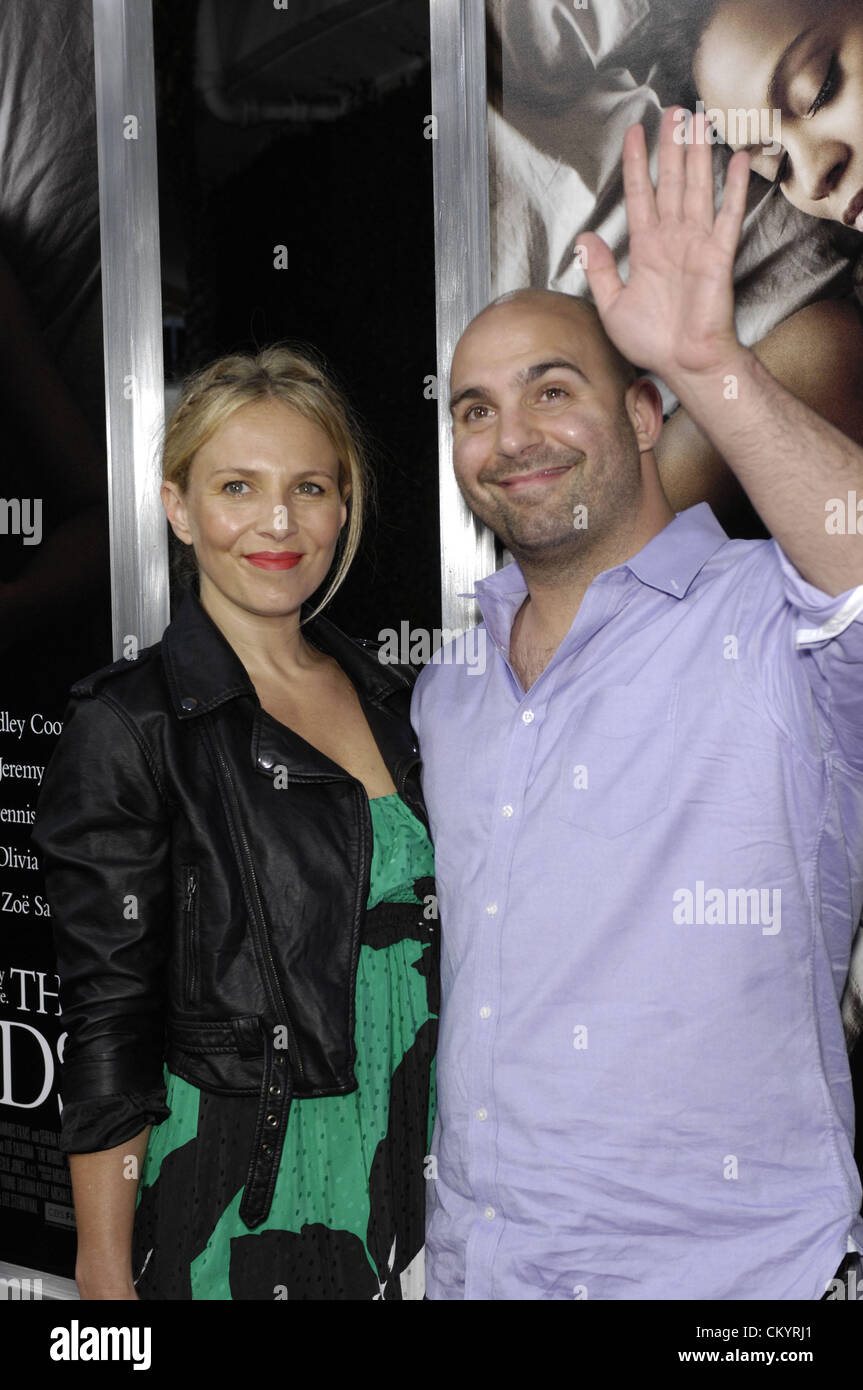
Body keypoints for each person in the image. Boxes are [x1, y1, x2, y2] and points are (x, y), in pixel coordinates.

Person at [411, 106, 863, 1299]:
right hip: (482, 1268)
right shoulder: (447, 685)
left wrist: (714, 359)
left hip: (728, 1286)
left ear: (644, 413)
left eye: (553, 390)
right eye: (473, 408)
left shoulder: (773, 623)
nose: (511, 438)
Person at [32, 346, 437, 1300]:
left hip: (421, 1175)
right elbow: (107, 1024)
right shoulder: (130, 726)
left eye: (309, 487)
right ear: (179, 508)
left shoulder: (400, 706)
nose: (278, 522)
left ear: (344, 506)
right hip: (243, 1198)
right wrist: (103, 1275)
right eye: (237, 487)